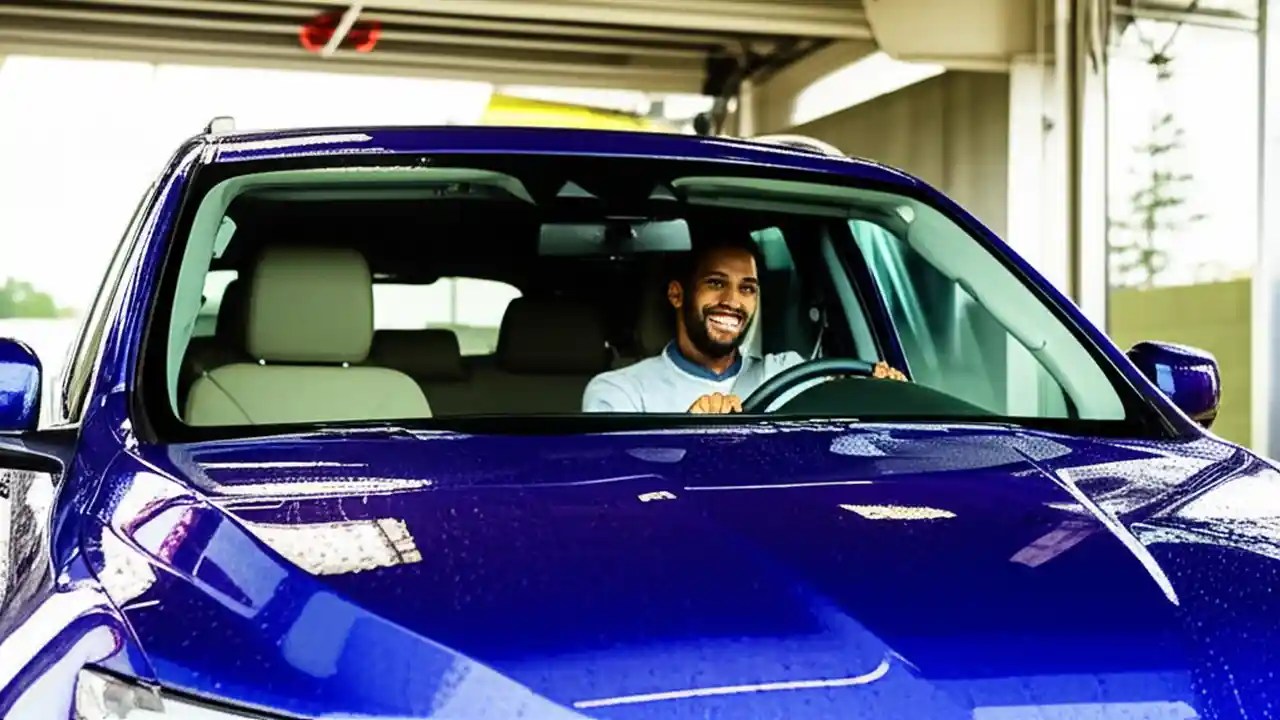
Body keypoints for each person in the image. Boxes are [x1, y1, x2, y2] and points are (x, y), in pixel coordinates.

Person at [581, 234, 906, 414]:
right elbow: (622, 499)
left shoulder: (787, 374)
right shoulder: (621, 392)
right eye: (715, 283)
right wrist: (687, 438)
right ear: (677, 295)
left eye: (747, 288)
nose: (733, 302)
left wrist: (882, 391)